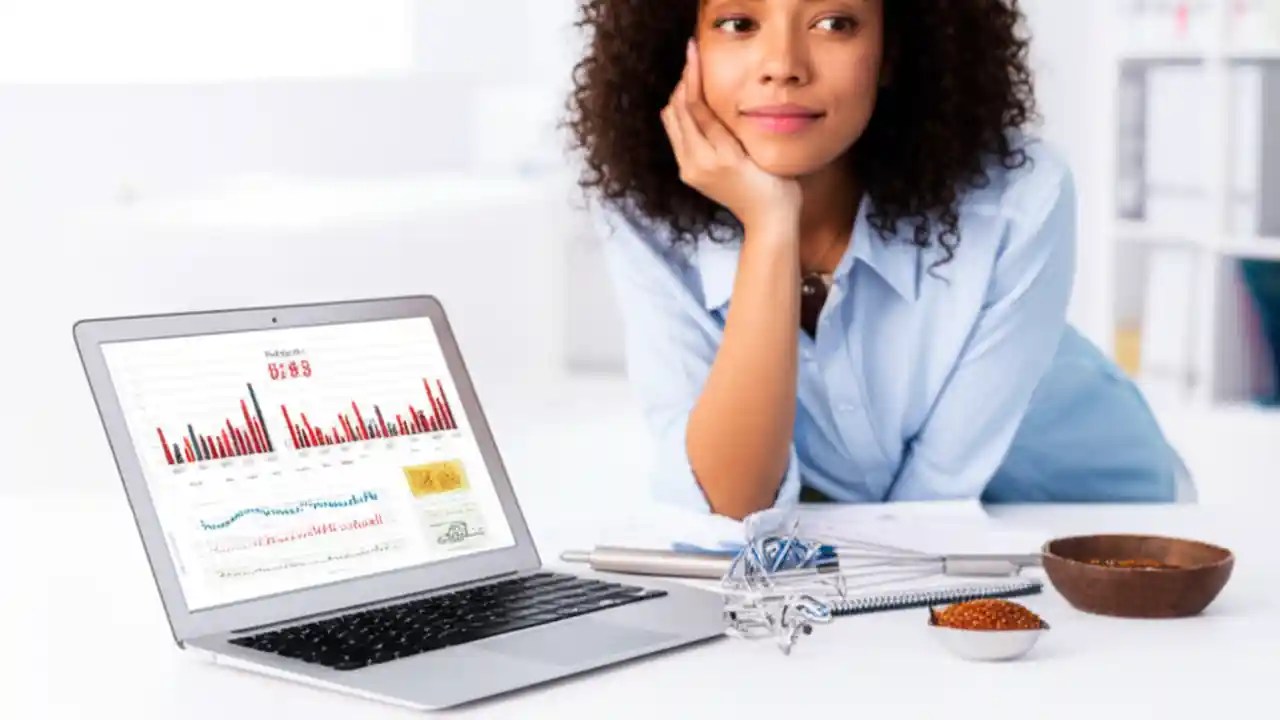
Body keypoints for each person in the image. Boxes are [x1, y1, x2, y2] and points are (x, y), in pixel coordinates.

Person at [565, 0, 1186, 520]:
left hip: (1102, 522)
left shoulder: (1018, 200)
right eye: (738, 23)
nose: (782, 66)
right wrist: (770, 226)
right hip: (901, 534)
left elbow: (932, 505)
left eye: (834, 23)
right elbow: (729, 505)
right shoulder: (645, 215)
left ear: (891, 51)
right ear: (683, 45)